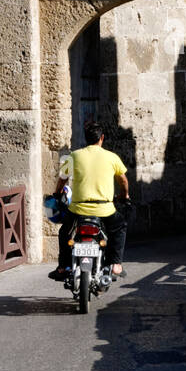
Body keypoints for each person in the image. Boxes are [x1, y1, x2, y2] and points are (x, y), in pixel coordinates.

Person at [48, 120, 131, 282]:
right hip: (104, 209)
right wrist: (124, 195)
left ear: (86, 139)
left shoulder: (73, 156)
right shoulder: (112, 157)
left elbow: (62, 180)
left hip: (78, 210)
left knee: (65, 232)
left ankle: (63, 266)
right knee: (119, 227)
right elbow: (124, 181)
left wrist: (57, 194)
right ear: (102, 138)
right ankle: (116, 265)